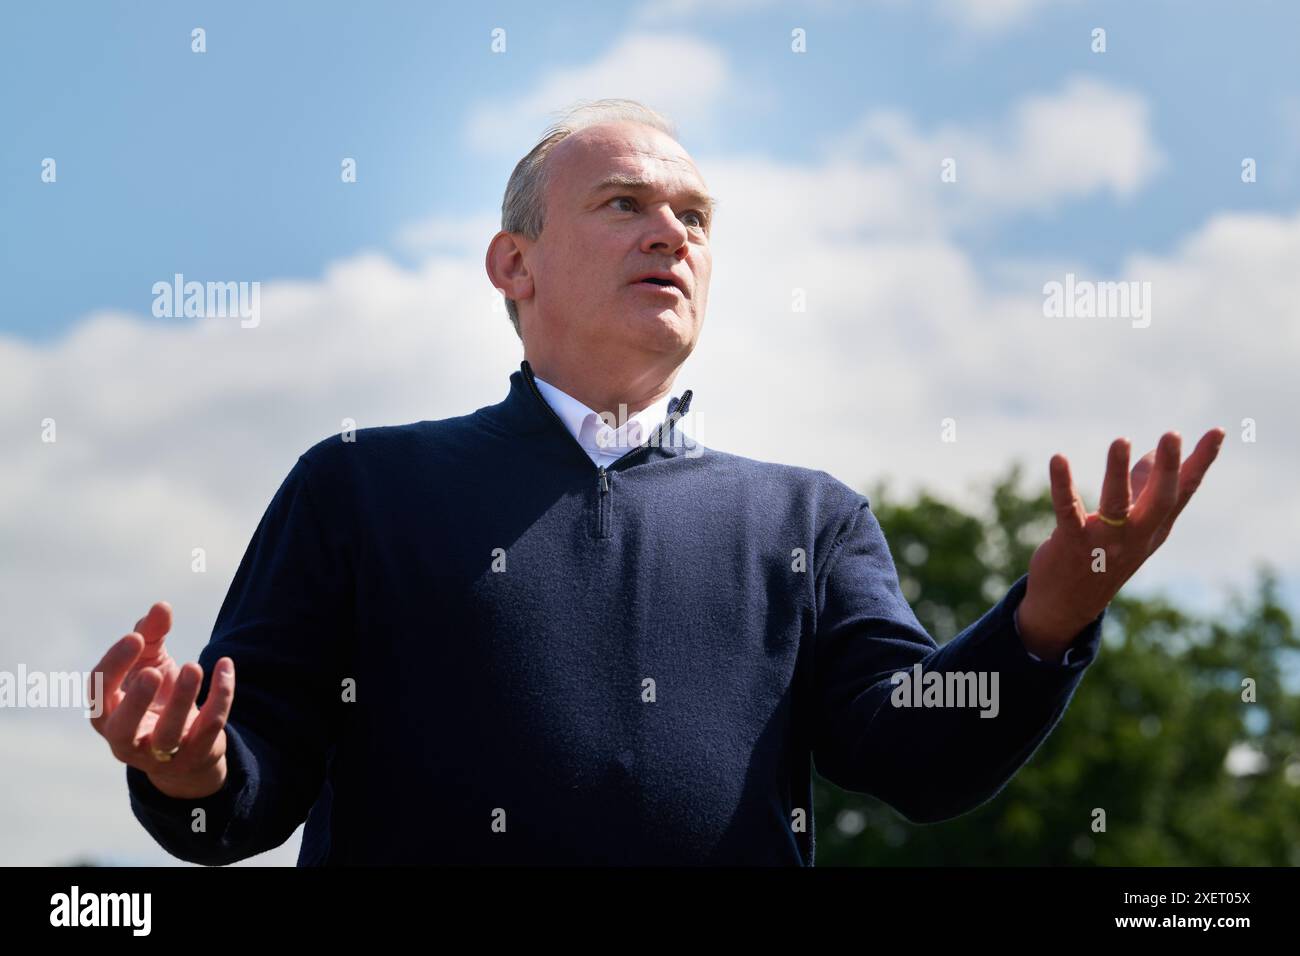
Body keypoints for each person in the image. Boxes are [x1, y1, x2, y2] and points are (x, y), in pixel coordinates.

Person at [88, 98, 1225, 865]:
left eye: (694, 218)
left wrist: (1042, 623)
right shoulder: (358, 486)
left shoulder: (810, 520)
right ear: (512, 264)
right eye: (623, 204)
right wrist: (189, 765)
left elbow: (911, 756)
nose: (669, 234)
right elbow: (247, 780)